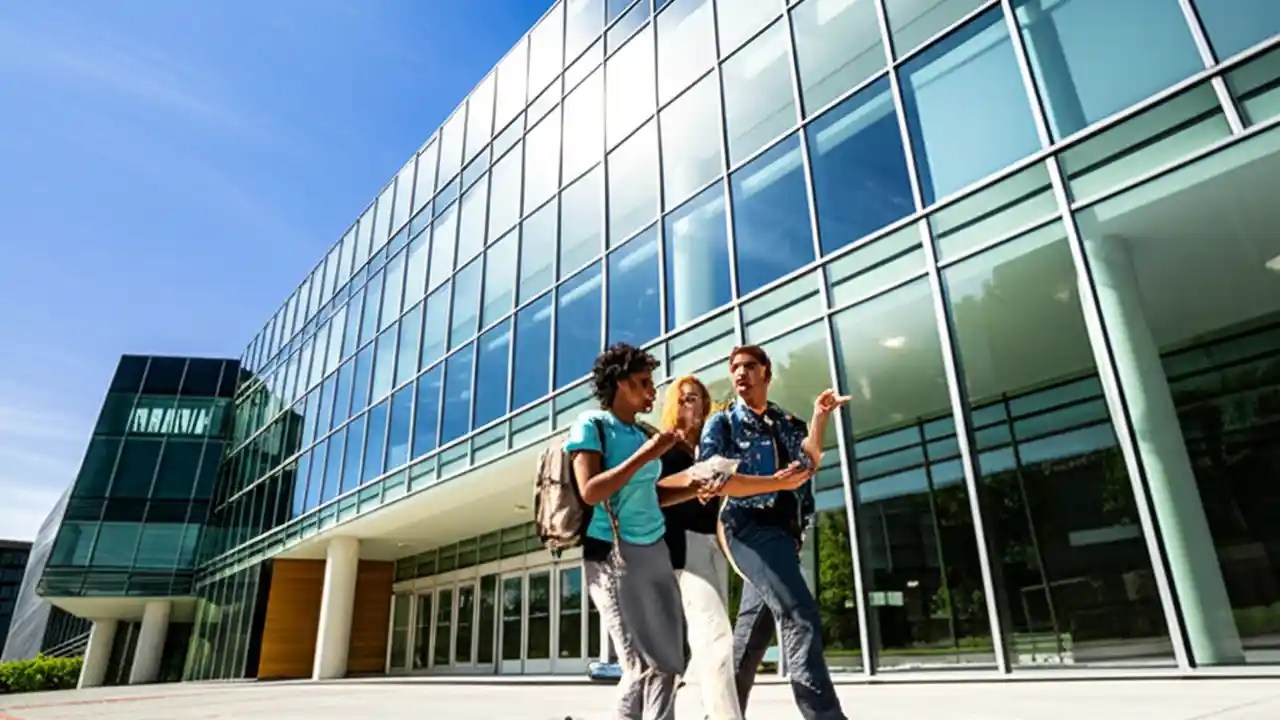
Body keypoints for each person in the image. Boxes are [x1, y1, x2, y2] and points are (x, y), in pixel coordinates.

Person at [699, 345, 850, 720]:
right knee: (799, 614)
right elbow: (715, 481)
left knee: (750, 638)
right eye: (734, 367)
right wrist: (772, 483)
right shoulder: (723, 423)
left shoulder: (785, 420)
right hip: (747, 526)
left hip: (784, 535)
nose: (740, 373)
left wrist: (819, 418)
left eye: (749, 366)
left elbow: (807, 462)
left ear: (766, 373)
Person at [651, 376, 813, 720]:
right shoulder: (664, 446)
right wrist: (695, 485)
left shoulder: (713, 446)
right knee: (714, 639)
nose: (691, 406)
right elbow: (655, 494)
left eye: (697, 399)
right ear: (672, 406)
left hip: (714, 546)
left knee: (691, 649)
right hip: (681, 548)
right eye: (684, 399)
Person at [566, 343, 689, 720]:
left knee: (671, 660)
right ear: (620, 383)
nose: (653, 391)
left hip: (654, 551)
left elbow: (650, 494)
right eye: (643, 383)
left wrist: (698, 486)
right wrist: (647, 455)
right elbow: (590, 491)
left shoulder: (643, 434)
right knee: (640, 663)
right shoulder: (593, 426)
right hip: (612, 554)